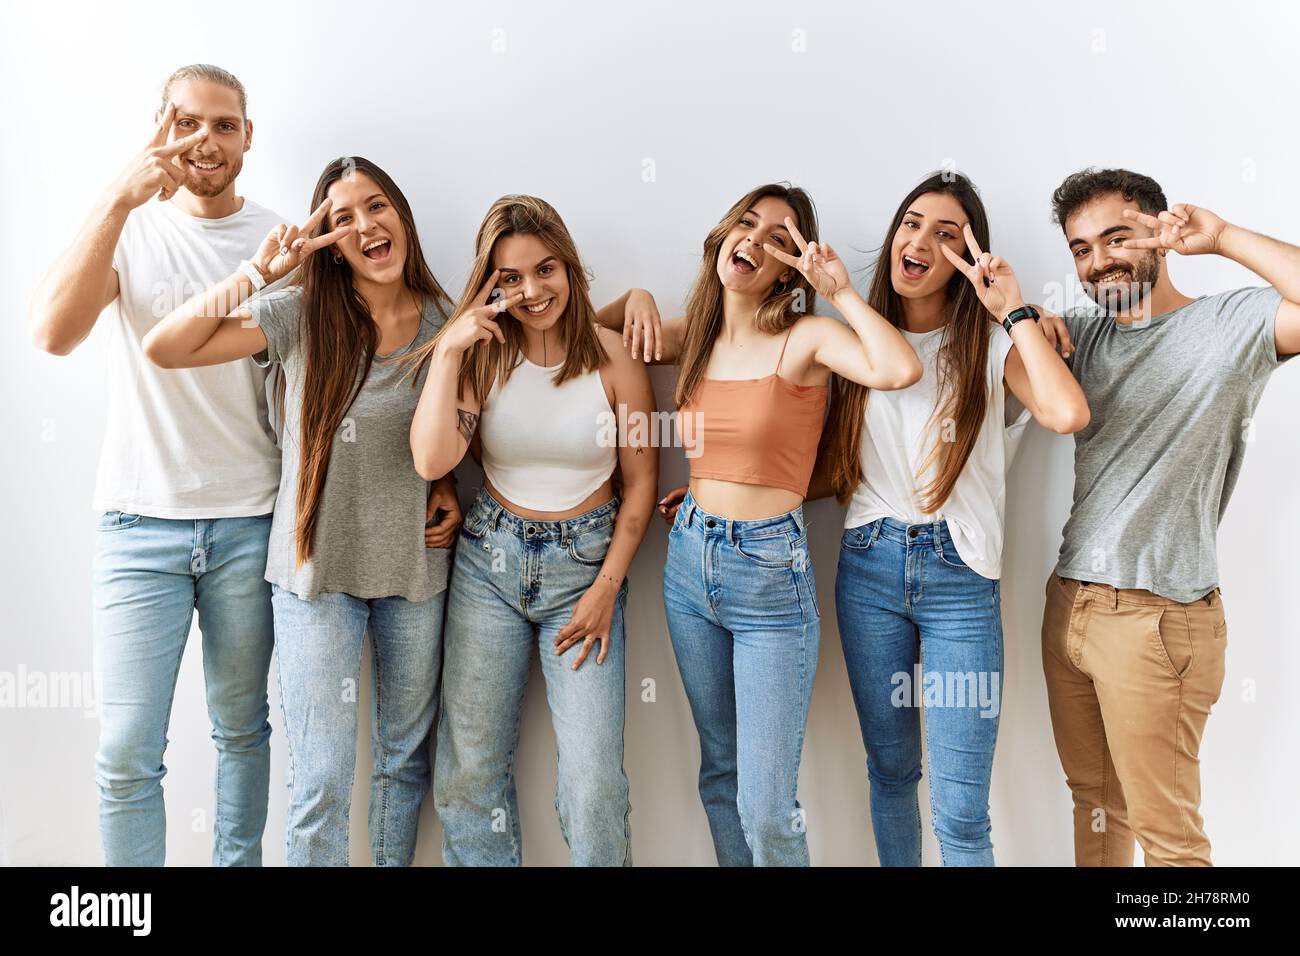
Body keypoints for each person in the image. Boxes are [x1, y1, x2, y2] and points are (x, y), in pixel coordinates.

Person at [144, 156, 461, 866]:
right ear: (326, 240)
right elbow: (166, 346)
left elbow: (475, 415)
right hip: (314, 578)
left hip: (417, 571)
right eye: (341, 218)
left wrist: (447, 487)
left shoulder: (447, 322)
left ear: (401, 216)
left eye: (376, 206)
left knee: (402, 767)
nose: (364, 225)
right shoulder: (299, 311)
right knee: (319, 780)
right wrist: (260, 272)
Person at [601, 182, 923, 866]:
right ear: (722, 236)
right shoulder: (695, 338)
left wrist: (838, 290)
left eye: (779, 238)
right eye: (747, 223)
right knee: (719, 774)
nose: (755, 239)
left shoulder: (807, 337)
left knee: (766, 803)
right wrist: (635, 300)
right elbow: (585, 332)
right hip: (689, 559)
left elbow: (898, 368)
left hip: (771, 575)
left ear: (789, 268)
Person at [29, 64, 285, 866]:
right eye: (186, 122)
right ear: (159, 129)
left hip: (249, 520)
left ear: (248, 137)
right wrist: (116, 198)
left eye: (223, 125)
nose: (203, 140)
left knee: (241, 730)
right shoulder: (129, 229)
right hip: (139, 524)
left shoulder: (278, 240)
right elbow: (51, 334)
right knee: (126, 752)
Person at [815, 172, 1089, 866]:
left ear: (968, 257)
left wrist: (1016, 311)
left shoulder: (992, 346)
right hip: (867, 569)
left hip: (959, 576)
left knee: (962, 812)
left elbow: (1067, 414)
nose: (922, 242)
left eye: (947, 234)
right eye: (912, 223)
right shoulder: (857, 342)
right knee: (891, 776)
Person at [1040, 167, 1300, 866]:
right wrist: (1031, 325)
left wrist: (1222, 238)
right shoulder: (1083, 338)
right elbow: (1034, 387)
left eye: (1118, 236)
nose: (1100, 261)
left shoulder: (1231, 323)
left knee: (1168, 835)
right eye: (1082, 248)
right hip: (1070, 605)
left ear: (1160, 232)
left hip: (1158, 621)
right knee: (1095, 805)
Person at [409, 194, 658, 866]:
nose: (531, 290)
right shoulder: (484, 357)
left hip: (586, 567)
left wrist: (608, 587)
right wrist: (447, 355)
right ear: (492, 287)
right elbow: (433, 460)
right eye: (510, 279)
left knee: (594, 784)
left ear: (570, 267)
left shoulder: (613, 358)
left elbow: (639, 489)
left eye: (545, 270)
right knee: (468, 776)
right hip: (488, 562)